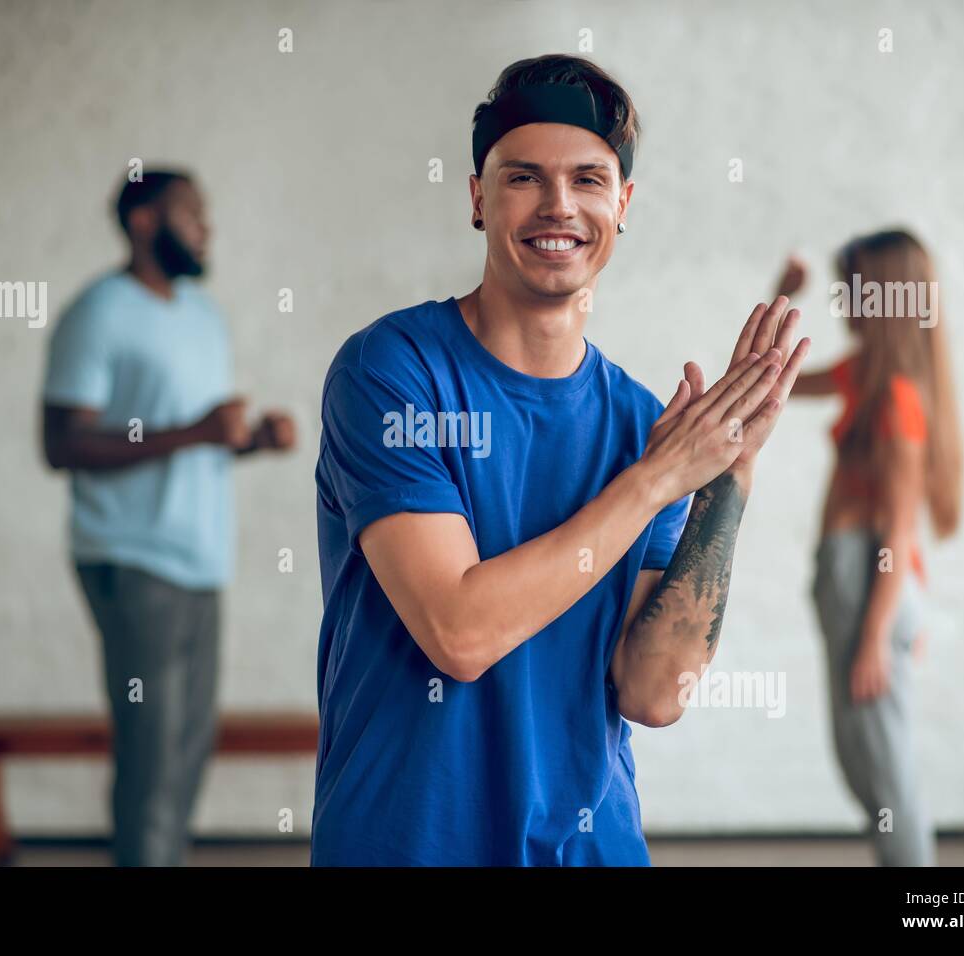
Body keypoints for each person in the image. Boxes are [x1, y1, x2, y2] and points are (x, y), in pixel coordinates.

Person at [310, 54, 811, 866]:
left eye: (587, 178)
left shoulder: (644, 421)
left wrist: (727, 478)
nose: (558, 206)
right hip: (407, 844)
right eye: (522, 179)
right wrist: (654, 482)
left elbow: (652, 693)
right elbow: (460, 634)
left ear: (623, 202)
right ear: (477, 197)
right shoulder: (391, 372)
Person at [41, 169, 296, 866]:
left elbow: (195, 438)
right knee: (151, 749)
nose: (207, 227)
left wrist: (251, 441)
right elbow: (62, 443)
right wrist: (195, 431)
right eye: (192, 213)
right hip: (130, 557)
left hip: (200, 557)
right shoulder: (97, 312)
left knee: (188, 746)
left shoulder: (200, 314)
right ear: (145, 221)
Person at [782, 229, 963, 866]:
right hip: (854, 582)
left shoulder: (897, 401)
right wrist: (782, 299)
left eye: (853, 287)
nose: (842, 300)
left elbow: (899, 533)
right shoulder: (863, 374)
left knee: (886, 773)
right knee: (864, 764)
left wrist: (873, 637)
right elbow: (771, 381)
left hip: (871, 588)